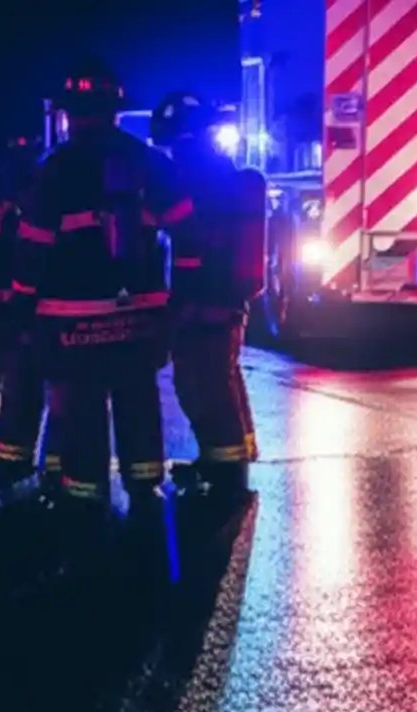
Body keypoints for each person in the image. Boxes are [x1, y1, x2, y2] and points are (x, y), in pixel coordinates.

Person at [11, 59, 193, 536]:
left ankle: (85, 498)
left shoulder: (53, 169)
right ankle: (145, 486)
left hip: (69, 314)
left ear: (68, 114)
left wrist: (19, 301)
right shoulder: (151, 162)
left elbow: (32, 244)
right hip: (142, 311)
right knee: (138, 395)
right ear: (116, 109)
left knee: (82, 404)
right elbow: (185, 224)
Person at [150, 93, 262, 525]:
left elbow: (195, 245)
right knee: (219, 380)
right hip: (217, 298)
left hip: (206, 301)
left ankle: (227, 472)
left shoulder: (198, 181)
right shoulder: (220, 177)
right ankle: (228, 460)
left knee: (203, 385)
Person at [0, 137, 63, 496]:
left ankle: (16, 464)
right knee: (40, 393)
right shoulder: (15, 219)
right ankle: (31, 465)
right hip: (25, 318)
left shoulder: (1, 216)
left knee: (25, 393)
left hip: (19, 319)